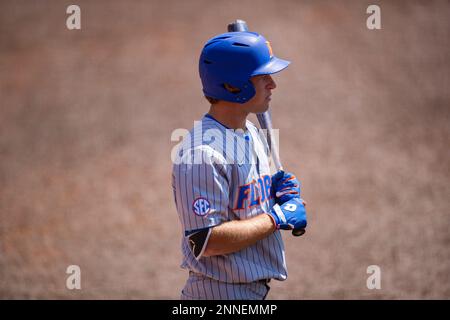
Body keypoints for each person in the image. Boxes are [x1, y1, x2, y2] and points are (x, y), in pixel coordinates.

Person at [171, 31, 307, 300]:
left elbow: (240, 205)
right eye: (263, 77)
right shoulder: (201, 154)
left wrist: (272, 194)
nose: (272, 84)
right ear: (234, 86)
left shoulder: (252, 132)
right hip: (219, 295)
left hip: (251, 292)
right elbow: (205, 240)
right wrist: (275, 218)